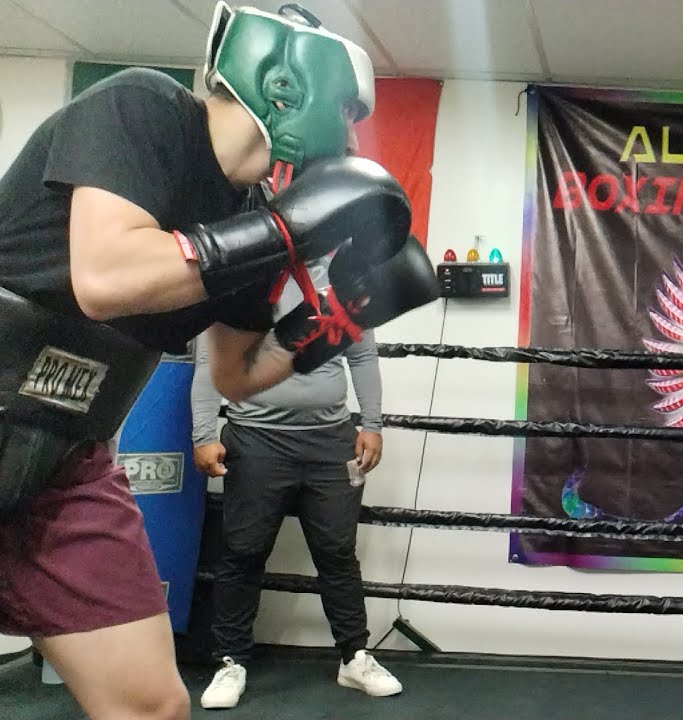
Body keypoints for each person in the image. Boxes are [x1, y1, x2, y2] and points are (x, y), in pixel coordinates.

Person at [0, 2, 439, 718]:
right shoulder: (141, 107)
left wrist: (335, 321)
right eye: (347, 108)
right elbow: (105, 276)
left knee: (151, 705)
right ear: (287, 83)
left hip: (67, 461)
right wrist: (284, 228)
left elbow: (238, 372)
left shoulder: (252, 215)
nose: (349, 132)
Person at [190, 259, 400, 709]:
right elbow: (210, 356)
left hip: (331, 443)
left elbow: (362, 354)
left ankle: (354, 656)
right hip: (256, 440)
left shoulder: (346, 284)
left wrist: (372, 423)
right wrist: (204, 434)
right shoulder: (244, 279)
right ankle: (230, 661)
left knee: (337, 552)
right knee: (244, 552)